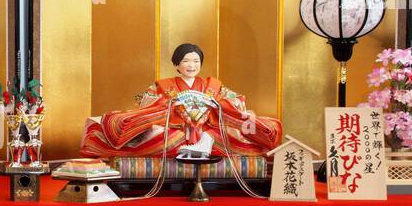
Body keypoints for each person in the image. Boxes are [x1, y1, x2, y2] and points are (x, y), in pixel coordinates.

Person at [80, 42, 281, 159]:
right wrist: (167, 107)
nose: (191, 65)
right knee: (157, 135)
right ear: (177, 64)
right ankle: (193, 147)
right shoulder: (163, 85)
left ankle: (203, 144)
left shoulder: (213, 85)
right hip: (174, 130)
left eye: (196, 61)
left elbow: (236, 102)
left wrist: (218, 107)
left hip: (208, 130)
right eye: (186, 61)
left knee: (231, 133)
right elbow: (143, 104)